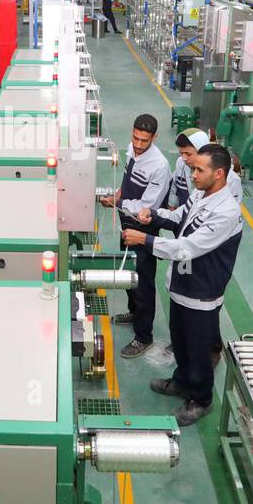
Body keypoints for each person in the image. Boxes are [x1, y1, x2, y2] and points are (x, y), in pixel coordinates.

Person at [124, 144, 243, 426]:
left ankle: (201, 399)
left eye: (199, 170)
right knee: (181, 341)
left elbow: (188, 247)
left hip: (201, 293)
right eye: (192, 169)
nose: (193, 175)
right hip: (182, 284)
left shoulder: (226, 212)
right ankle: (181, 381)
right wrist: (153, 215)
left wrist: (145, 240)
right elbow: (179, 218)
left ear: (219, 173)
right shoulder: (201, 194)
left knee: (199, 348)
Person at [100, 113, 170, 358]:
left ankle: (144, 336)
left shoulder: (160, 166)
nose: (138, 145)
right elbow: (126, 182)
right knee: (129, 273)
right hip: (125, 221)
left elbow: (146, 208)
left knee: (143, 281)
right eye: (136, 138)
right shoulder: (131, 149)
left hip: (142, 228)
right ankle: (134, 311)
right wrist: (116, 196)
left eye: (144, 140)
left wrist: (119, 204)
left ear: (155, 138)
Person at [168, 128, 209, 207]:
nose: (184, 158)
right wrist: (172, 205)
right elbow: (174, 186)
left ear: (203, 151)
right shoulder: (180, 163)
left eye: (188, 154)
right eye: (181, 153)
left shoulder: (228, 178)